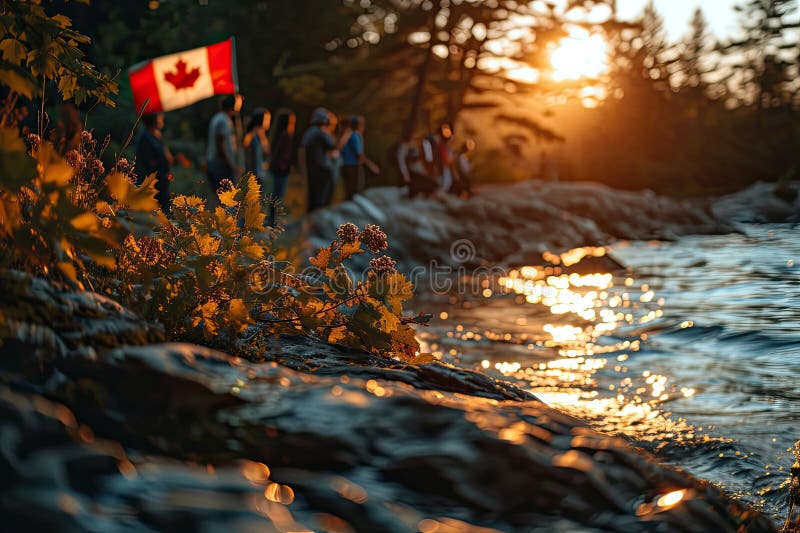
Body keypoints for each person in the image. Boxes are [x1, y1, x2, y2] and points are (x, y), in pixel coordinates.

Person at [299, 107, 338, 213]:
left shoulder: (309, 132)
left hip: (312, 170)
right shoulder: (321, 133)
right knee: (322, 199)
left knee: (313, 198)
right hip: (323, 169)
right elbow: (335, 147)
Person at [135, 112, 173, 214]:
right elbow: (147, 162)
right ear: (154, 119)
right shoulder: (145, 138)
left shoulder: (156, 135)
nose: (162, 117)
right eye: (159, 115)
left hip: (162, 181)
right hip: (153, 183)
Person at [206, 94, 243, 196]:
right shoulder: (223, 121)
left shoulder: (219, 118)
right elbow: (220, 146)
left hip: (216, 164)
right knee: (228, 200)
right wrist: (232, 166)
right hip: (221, 166)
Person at [267, 108, 296, 226]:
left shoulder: (276, 135)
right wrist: (285, 166)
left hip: (276, 169)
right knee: (278, 196)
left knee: (275, 195)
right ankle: (273, 222)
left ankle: (272, 220)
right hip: (281, 170)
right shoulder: (284, 136)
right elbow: (282, 154)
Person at [242, 107, 271, 193]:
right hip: (251, 172)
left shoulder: (261, 134)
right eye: (266, 119)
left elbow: (267, 151)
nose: (268, 121)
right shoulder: (252, 134)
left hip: (260, 172)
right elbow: (245, 146)